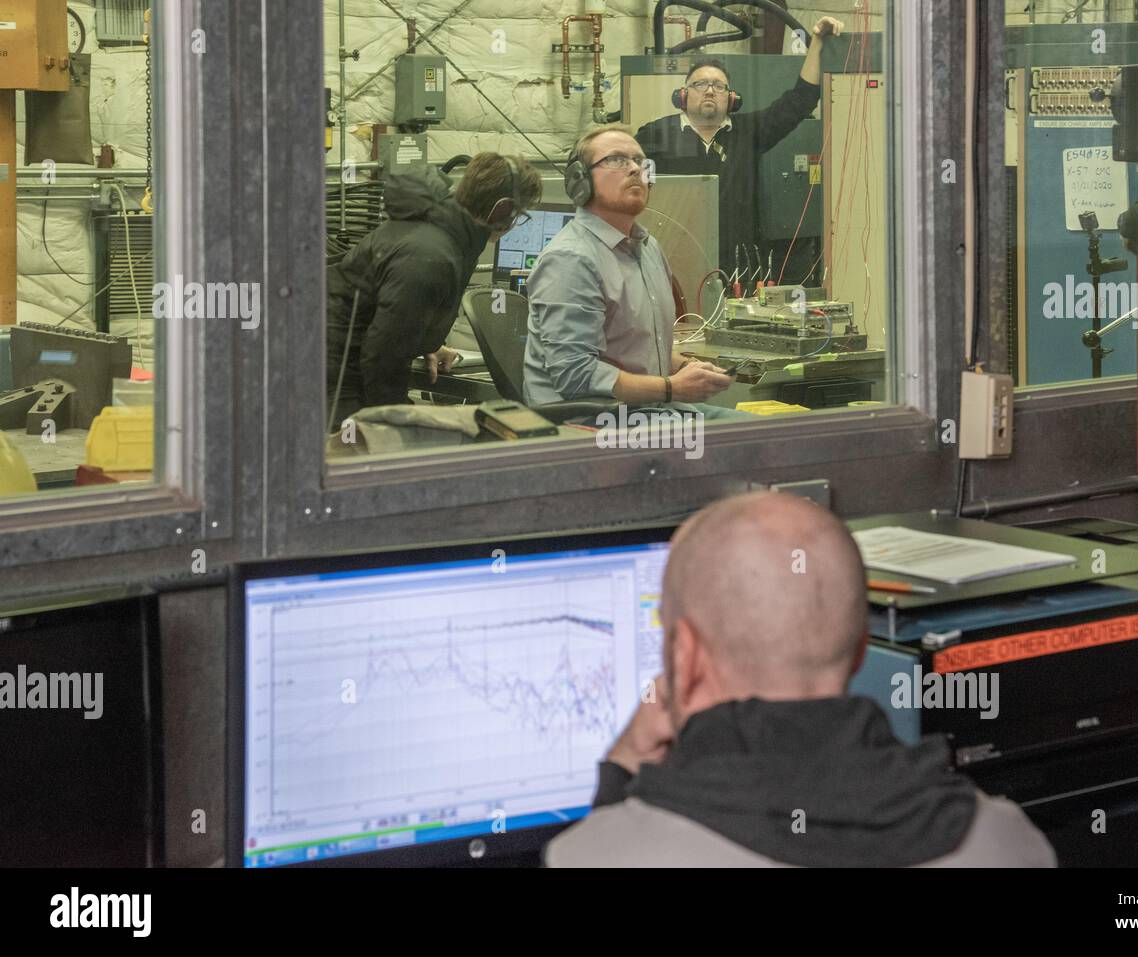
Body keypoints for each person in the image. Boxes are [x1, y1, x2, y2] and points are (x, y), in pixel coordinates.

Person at [545, 491, 1058, 868]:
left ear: (685, 654)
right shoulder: (1006, 842)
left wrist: (620, 771)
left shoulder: (593, 857)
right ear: (861, 648)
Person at [523, 124, 746, 419]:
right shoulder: (571, 259)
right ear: (580, 180)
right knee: (763, 445)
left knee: (779, 433)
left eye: (641, 162)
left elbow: (638, 353)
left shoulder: (648, 248)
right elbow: (575, 375)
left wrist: (684, 368)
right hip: (594, 423)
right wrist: (671, 388)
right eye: (616, 160)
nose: (635, 170)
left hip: (649, 410)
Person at [325, 153, 542, 431]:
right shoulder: (433, 255)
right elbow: (382, 359)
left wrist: (422, 341)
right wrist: (397, 427)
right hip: (337, 376)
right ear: (502, 211)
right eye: (518, 216)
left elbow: (390, 313)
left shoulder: (448, 233)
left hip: (348, 365)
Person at [635, 17, 844, 267]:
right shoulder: (656, 134)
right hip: (672, 256)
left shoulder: (748, 132)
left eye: (719, 86)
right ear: (683, 95)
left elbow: (799, 101)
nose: (710, 90)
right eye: (700, 84)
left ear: (732, 99)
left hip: (737, 264)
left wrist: (818, 41)